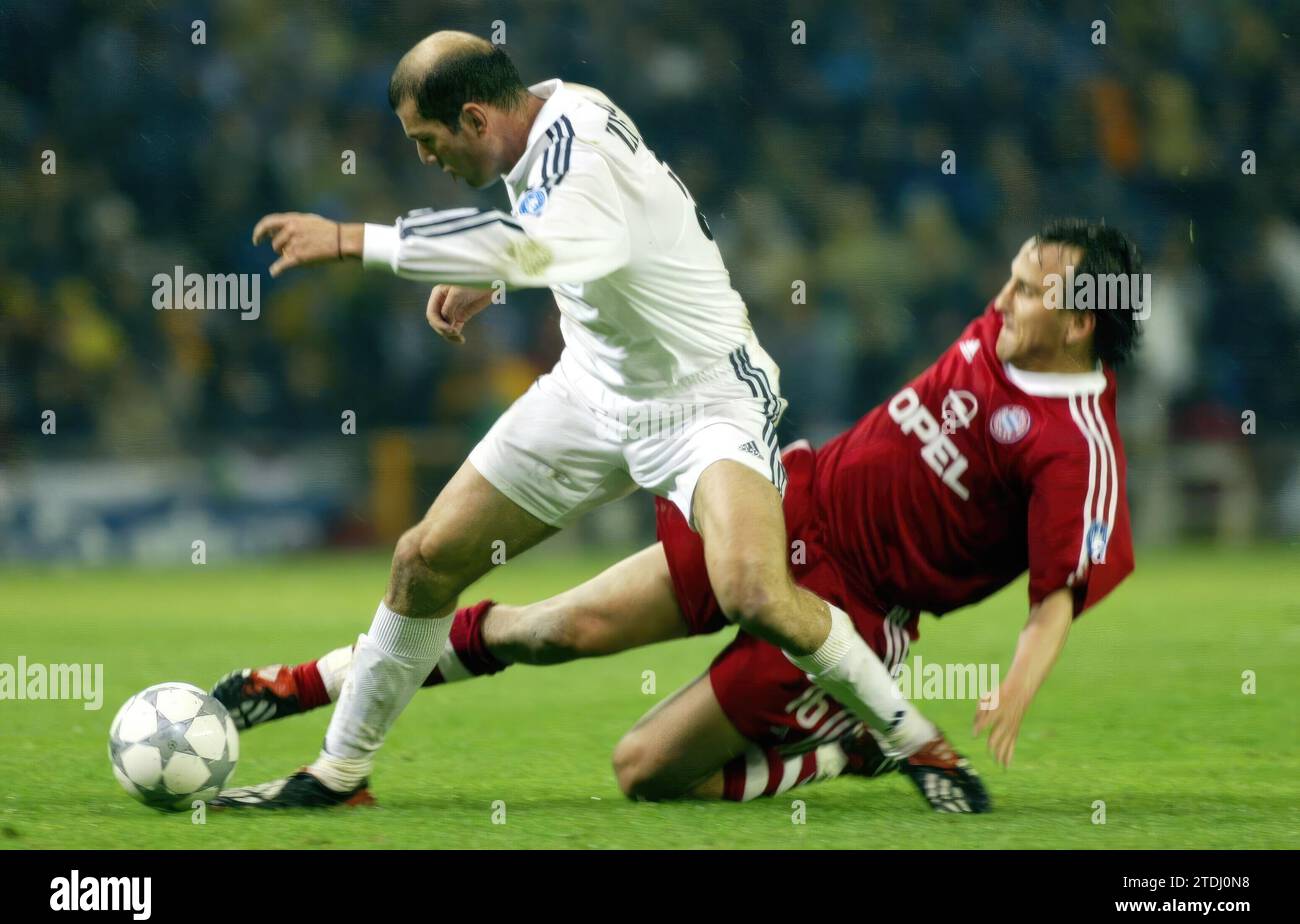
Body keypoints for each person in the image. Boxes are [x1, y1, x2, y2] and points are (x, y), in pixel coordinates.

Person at [217, 32, 949, 809]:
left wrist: (350, 239)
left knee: (755, 594)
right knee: (425, 559)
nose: (426, 159)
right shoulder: (538, 128)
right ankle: (338, 774)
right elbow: (554, 243)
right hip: (592, 392)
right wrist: (493, 280)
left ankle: (913, 744)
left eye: (427, 143)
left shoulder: (582, 144)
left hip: (705, 402)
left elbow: (538, 241)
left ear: (472, 116)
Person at [214, 222, 1139, 812]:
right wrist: (496, 271)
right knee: (553, 628)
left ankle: (843, 750)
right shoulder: (1001, 330)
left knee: (647, 772)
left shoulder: (1076, 446)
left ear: (1084, 323)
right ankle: (300, 685)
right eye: (1013, 275)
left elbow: (1058, 591)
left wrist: (1015, 689)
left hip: (853, 610)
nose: (1002, 297)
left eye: (1030, 290)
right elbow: (594, 242)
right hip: (788, 503)